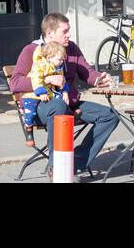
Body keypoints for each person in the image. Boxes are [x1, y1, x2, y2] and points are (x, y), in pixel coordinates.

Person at [10, 13, 120, 177]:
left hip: (69, 103)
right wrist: (47, 79)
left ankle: (75, 162)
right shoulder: (32, 50)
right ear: (50, 33)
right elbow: (15, 83)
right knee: (58, 106)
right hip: (40, 104)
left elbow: (86, 71)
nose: (69, 35)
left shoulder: (72, 48)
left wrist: (99, 79)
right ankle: (56, 167)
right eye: (65, 31)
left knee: (110, 116)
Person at [22, 41, 68, 127]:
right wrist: (41, 92)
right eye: (60, 59)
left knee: (61, 100)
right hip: (33, 94)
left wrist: (65, 92)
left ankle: (68, 112)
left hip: (50, 94)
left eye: (63, 59)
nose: (62, 62)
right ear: (49, 57)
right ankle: (28, 123)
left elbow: (61, 80)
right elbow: (36, 79)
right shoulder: (40, 65)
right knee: (31, 110)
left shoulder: (57, 67)